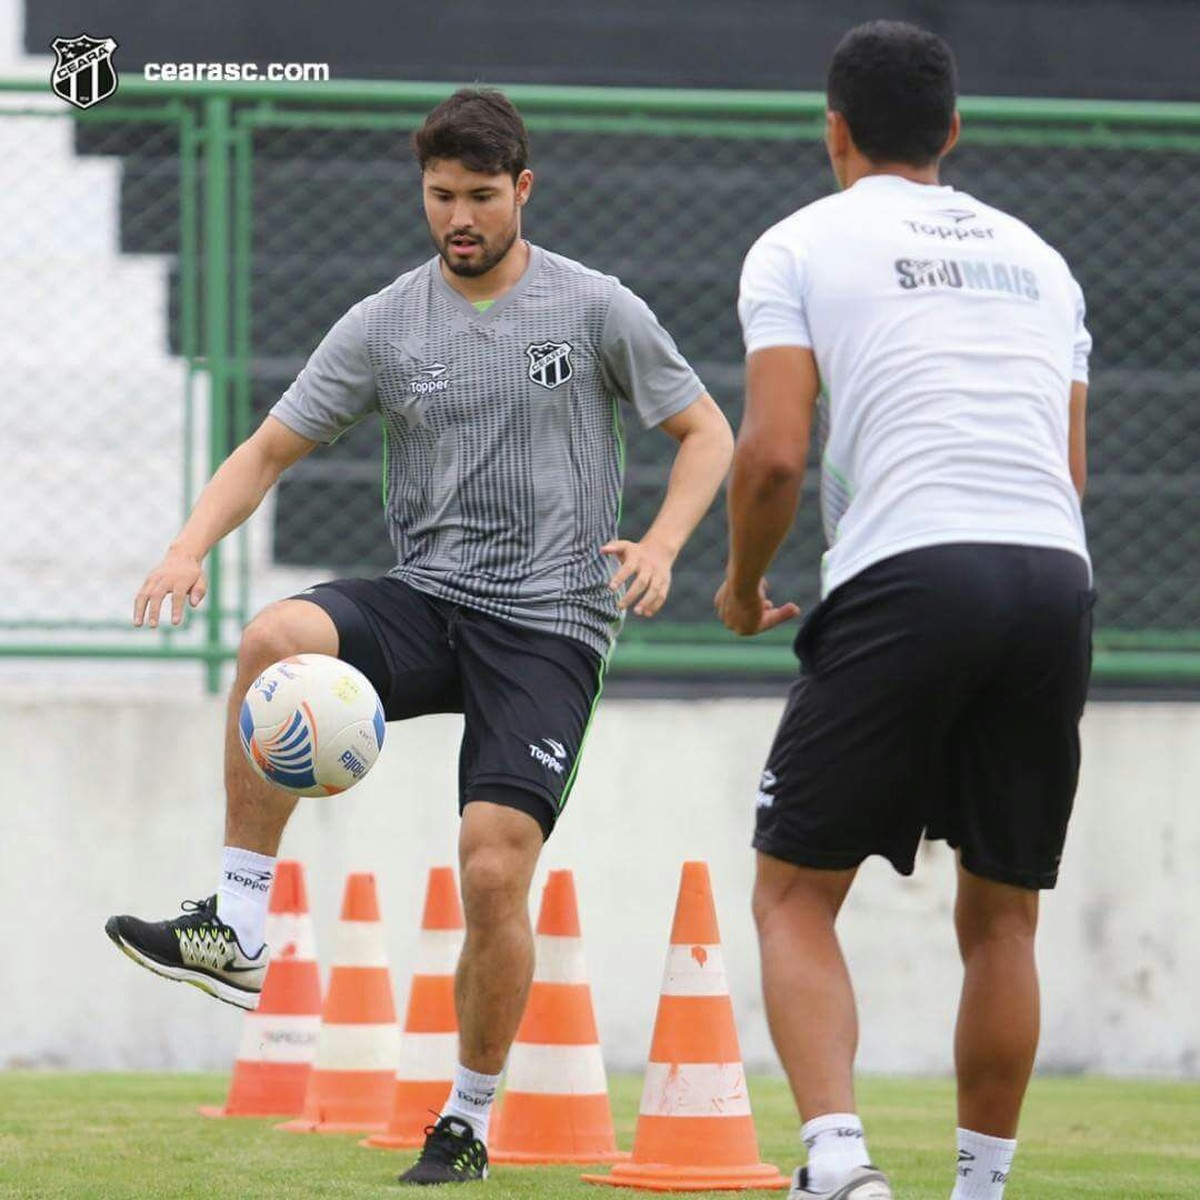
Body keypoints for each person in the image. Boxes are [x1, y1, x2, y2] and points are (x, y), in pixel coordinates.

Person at [106, 88, 733, 1186]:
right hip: (431, 597)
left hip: (550, 625)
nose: (459, 216)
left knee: (493, 871)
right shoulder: (387, 321)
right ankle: (240, 927)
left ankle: (467, 1116)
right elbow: (264, 450)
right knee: (272, 641)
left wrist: (667, 544)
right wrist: (186, 546)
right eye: (441, 195)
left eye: (481, 197)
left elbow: (705, 430)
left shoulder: (595, 309)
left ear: (522, 191)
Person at [716, 21, 1092, 1200]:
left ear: (832, 128)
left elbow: (773, 456)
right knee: (1005, 917)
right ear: (954, 132)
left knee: (791, 889)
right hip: (1051, 574)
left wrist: (739, 587)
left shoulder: (798, 245)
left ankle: (837, 1162)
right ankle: (980, 1186)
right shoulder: (1044, 258)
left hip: (911, 573)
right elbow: (1068, 473)